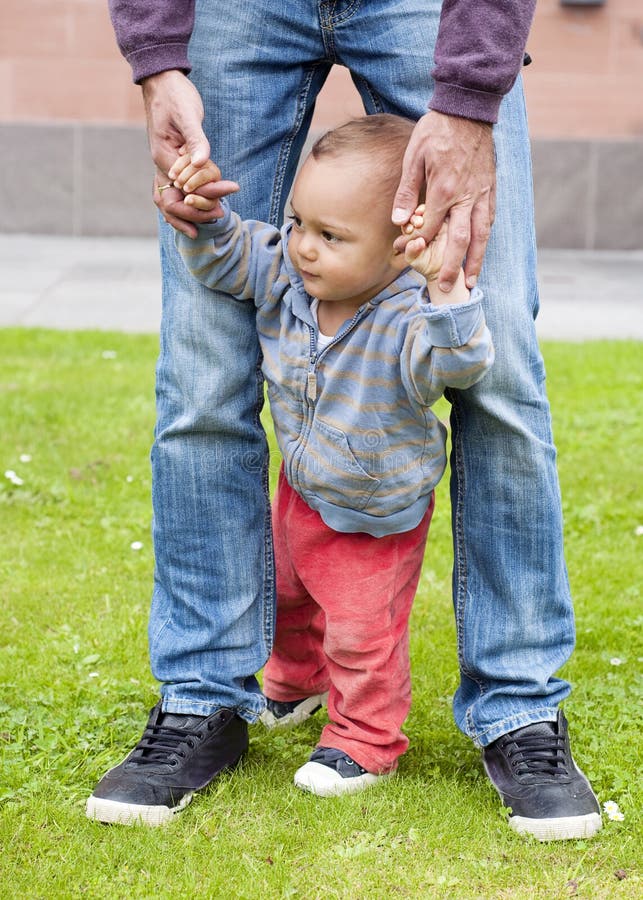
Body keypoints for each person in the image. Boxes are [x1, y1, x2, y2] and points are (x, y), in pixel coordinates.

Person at [87, 0, 602, 839]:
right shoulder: (285, 260)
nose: (300, 243)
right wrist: (156, 56)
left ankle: (517, 709)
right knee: (201, 370)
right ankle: (201, 698)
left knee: (493, 346)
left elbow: (466, 347)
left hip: (434, 10)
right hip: (230, 12)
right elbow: (241, 254)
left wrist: (472, 92)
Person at [171, 114, 494, 797]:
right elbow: (230, 257)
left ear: (402, 245)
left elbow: (459, 365)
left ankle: (364, 739)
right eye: (297, 224)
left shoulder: (407, 317)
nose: (301, 248)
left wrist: (446, 296)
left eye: (329, 236)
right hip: (303, 485)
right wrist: (204, 219)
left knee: (359, 630)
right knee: (287, 595)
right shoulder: (289, 278)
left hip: (376, 510)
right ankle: (296, 683)